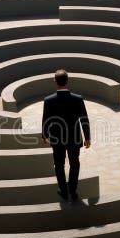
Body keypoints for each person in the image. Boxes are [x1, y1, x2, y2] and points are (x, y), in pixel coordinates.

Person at [41, 69, 91, 200]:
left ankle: (63, 191)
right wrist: (87, 138)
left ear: (55, 81)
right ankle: (73, 191)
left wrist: (45, 136)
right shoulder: (78, 99)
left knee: (59, 164)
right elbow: (84, 119)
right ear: (67, 81)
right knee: (75, 163)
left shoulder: (48, 100)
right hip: (74, 137)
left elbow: (46, 120)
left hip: (57, 138)